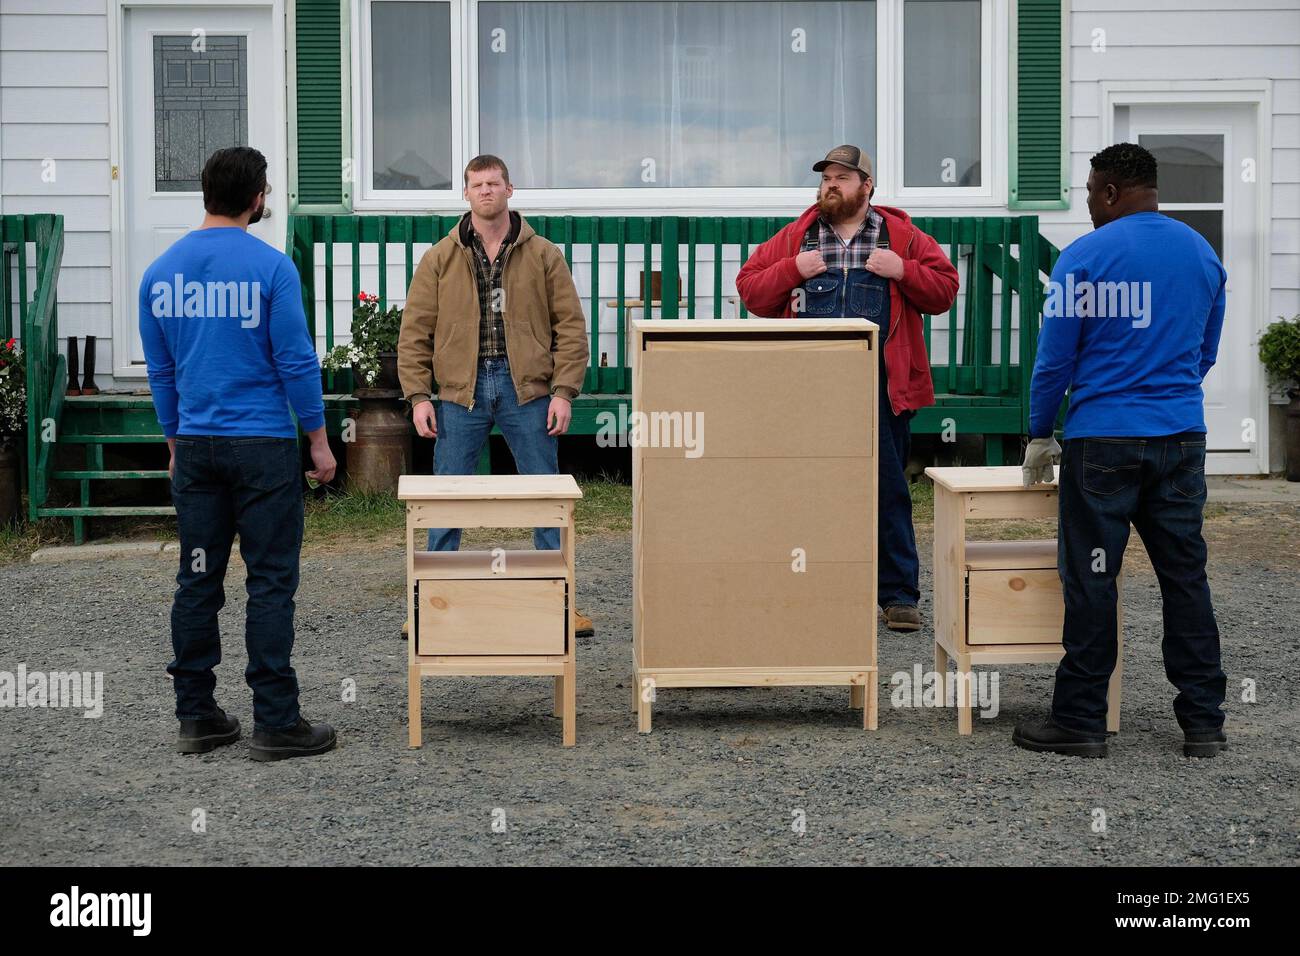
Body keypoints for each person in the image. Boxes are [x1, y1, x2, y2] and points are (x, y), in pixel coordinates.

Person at [1015, 142, 1228, 758]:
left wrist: (1038, 431)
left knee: (1093, 579)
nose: (1086, 206)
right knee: (1185, 578)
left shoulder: (1083, 258)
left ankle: (1081, 721)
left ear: (1109, 191)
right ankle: (1204, 723)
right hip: (1181, 438)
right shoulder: (1200, 252)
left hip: (1102, 441)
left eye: (1088, 194)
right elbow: (1205, 350)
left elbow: (1055, 360)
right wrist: (1169, 396)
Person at [140, 146, 338, 761]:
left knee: (197, 579)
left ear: (205, 194)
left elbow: (161, 370)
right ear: (257, 198)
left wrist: (174, 440)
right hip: (261, 449)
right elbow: (296, 360)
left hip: (197, 450)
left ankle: (196, 717)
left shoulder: (159, 272)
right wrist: (319, 439)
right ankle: (276, 721)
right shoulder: (272, 268)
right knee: (271, 581)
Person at [736, 145, 959, 632]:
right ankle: (814, 586)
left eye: (841, 177)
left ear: (867, 186)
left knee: (887, 489)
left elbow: (944, 290)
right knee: (807, 487)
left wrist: (902, 270)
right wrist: (794, 270)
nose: (830, 185)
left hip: (882, 386)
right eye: (826, 178)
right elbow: (750, 289)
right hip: (809, 388)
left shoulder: (900, 235)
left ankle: (898, 595)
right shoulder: (799, 236)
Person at [397, 154, 595, 636]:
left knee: (545, 492)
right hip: (458, 389)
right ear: (465, 194)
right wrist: (419, 396)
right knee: (447, 494)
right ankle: (431, 601)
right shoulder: (439, 257)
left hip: (526, 388)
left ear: (510, 190)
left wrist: (564, 391)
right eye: (476, 184)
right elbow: (415, 331)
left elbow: (570, 327)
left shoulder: (544, 254)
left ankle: (558, 601)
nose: (486, 190)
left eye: (494, 183)